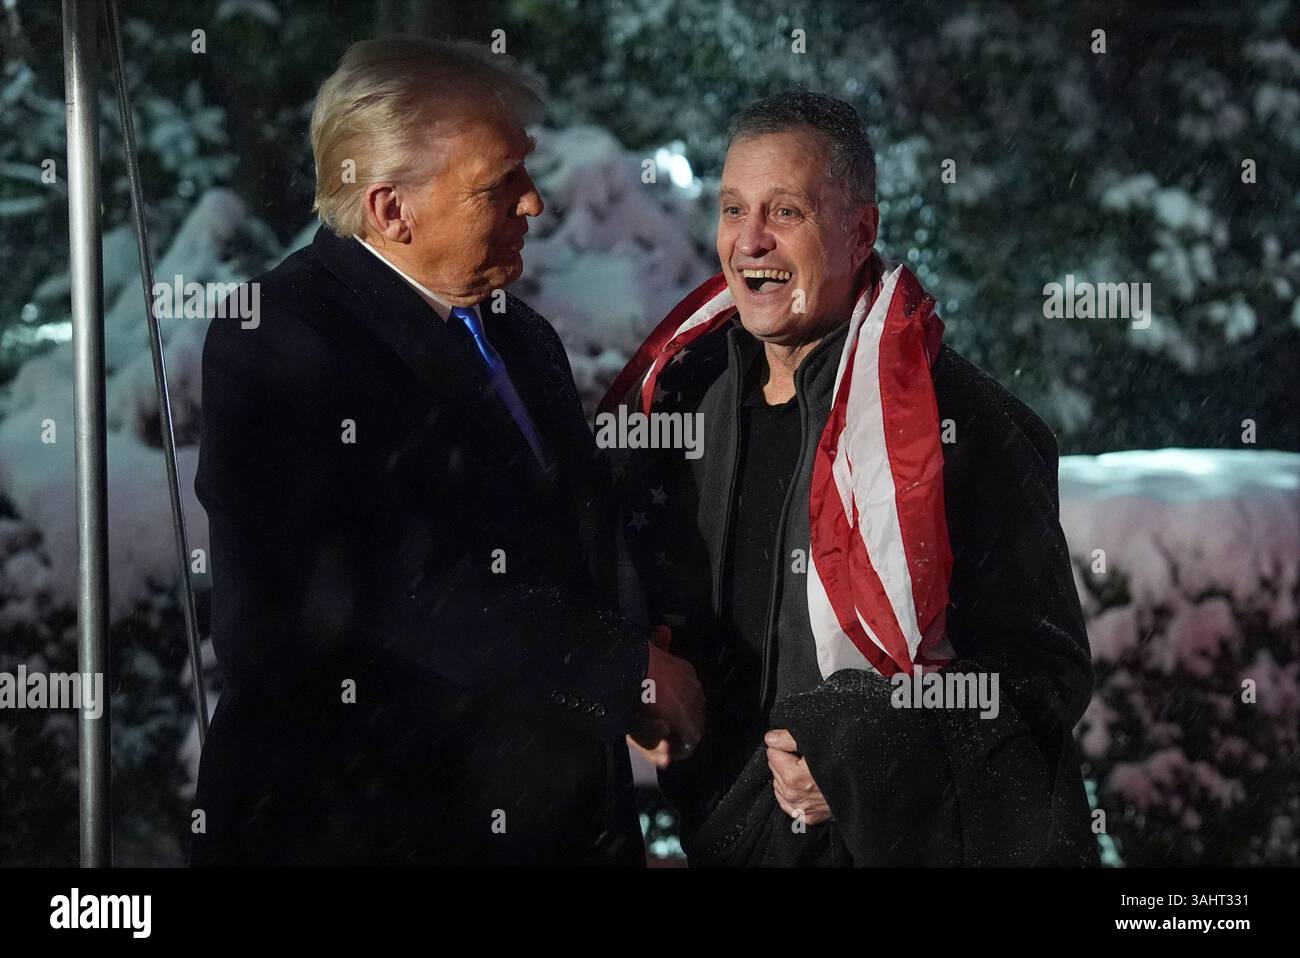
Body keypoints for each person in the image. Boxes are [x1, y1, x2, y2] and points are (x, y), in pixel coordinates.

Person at [191, 35, 703, 866]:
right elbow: (386, 587)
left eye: (525, 172)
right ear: (391, 208)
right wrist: (620, 669)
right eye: (500, 186)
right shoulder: (278, 335)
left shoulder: (521, 334)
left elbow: (571, 550)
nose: (534, 204)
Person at [607, 91, 1099, 866]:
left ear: (860, 230)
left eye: (787, 212)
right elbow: (608, 586)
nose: (750, 241)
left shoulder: (959, 422)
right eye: (734, 209)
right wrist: (630, 673)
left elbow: (1045, 676)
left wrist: (862, 755)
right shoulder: (675, 397)